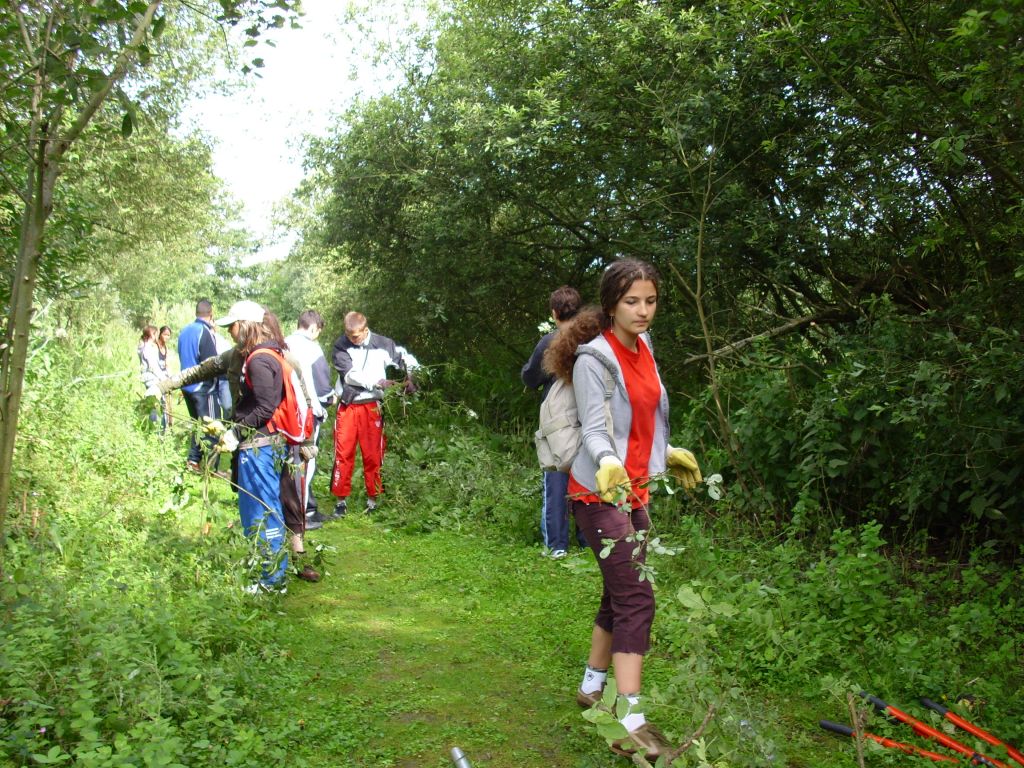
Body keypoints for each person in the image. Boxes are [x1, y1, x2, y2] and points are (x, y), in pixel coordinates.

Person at [544, 259, 702, 761]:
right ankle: (629, 715)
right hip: (598, 491)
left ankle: (593, 685)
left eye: (650, 301)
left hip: (639, 489)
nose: (643, 311)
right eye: (632, 301)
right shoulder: (595, 358)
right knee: (637, 594)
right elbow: (594, 429)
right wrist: (611, 463)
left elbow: (648, 413)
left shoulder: (647, 347)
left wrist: (666, 452)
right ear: (611, 303)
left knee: (620, 592)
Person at [152, 302, 321, 583]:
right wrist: (161, 386)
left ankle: (296, 559)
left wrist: (306, 440)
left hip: (280, 436)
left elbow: (301, 399)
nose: (229, 331)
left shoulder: (279, 357)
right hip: (249, 435)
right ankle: (269, 561)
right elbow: (198, 371)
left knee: (289, 499)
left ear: (249, 326)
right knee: (258, 501)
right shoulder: (232, 357)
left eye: (232, 326)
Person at [329, 311, 418, 518]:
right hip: (349, 404)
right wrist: (378, 382)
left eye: (356, 336)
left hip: (372, 407)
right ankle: (340, 501)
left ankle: (373, 500)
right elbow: (350, 376)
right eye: (349, 335)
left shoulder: (383, 344)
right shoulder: (340, 346)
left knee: (373, 454)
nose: (352, 340)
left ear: (365, 330)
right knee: (344, 453)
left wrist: (412, 375)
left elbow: (405, 356)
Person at [522, 285, 585, 559]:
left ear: (555, 313)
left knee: (556, 475)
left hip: (559, 417)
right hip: (588, 415)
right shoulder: (594, 340)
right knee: (588, 479)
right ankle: (589, 542)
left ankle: (557, 546)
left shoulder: (550, 342)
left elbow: (530, 377)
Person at [284, 310, 335, 526]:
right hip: (308, 413)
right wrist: (329, 400)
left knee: (289, 462)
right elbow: (323, 385)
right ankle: (301, 516)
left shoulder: (283, 344)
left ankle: (299, 510)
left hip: (286, 413)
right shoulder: (312, 348)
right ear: (313, 328)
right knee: (306, 462)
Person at [177, 300, 220, 472]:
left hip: (187, 387)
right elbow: (211, 363)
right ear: (211, 314)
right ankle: (211, 467)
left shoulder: (184, 331)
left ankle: (193, 461)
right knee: (212, 427)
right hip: (203, 389)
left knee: (197, 425)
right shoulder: (204, 332)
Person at [137, 325, 167, 429]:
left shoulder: (142, 346)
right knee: (156, 404)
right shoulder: (148, 348)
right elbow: (153, 366)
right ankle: (156, 429)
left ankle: (154, 428)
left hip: (149, 378)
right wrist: (164, 379)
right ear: (152, 334)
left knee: (154, 404)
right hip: (152, 380)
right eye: (155, 334)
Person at [156, 326, 174, 429]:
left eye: (168, 335)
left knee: (169, 401)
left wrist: (170, 377)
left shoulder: (166, 348)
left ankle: (169, 424)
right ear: (160, 334)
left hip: (165, 376)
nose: (166, 337)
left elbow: (167, 365)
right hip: (157, 376)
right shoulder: (156, 346)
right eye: (165, 334)